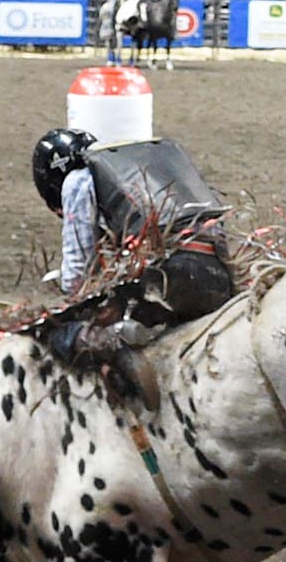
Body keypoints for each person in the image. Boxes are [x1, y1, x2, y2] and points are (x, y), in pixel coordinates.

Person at [31, 128, 234, 409]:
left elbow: (77, 273)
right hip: (220, 271)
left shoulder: (77, 181)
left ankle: (114, 341)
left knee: (58, 335)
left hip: (169, 276)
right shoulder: (143, 167)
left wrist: (73, 302)